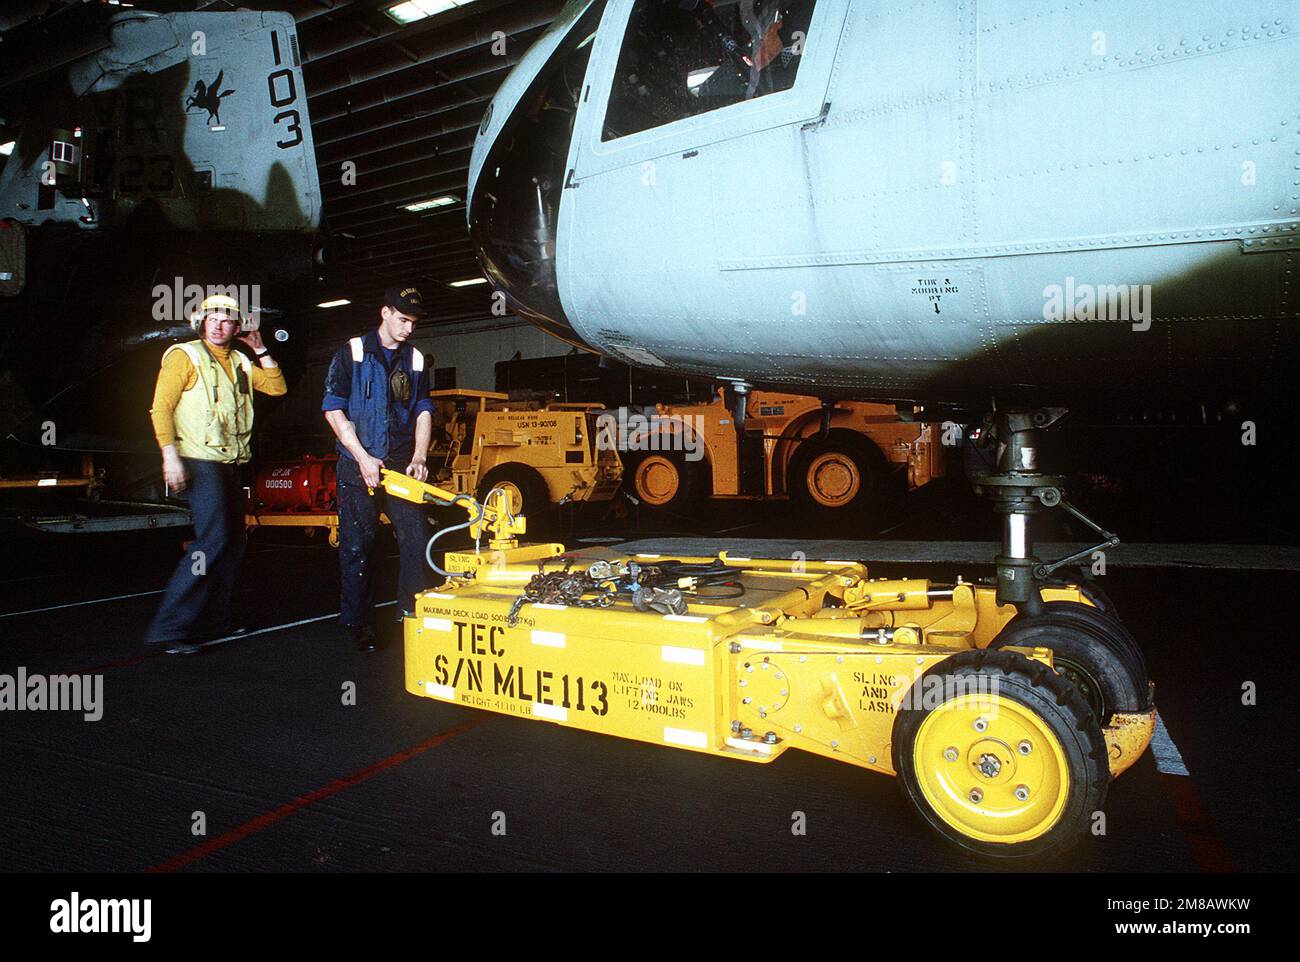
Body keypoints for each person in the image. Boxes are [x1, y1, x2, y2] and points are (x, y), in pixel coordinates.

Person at [146, 293, 287, 653]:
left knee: (233, 545)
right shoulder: (185, 356)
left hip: (230, 463)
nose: (219, 325)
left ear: (237, 327)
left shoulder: (240, 360)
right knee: (211, 543)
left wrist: (260, 349)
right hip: (197, 460)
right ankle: (170, 628)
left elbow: (276, 386)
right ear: (201, 322)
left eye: (227, 320)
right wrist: (169, 456)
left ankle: (216, 621)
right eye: (213, 318)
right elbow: (160, 408)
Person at [322, 286, 435, 652]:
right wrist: (362, 458)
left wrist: (420, 455)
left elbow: (423, 410)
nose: (408, 329)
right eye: (403, 320)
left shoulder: (415, 359)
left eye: (413, 323)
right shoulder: (351, 354)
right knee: (359, 547)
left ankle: (411, 618)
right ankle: (361, 625)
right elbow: (334, 410)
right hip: (359, 467)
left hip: (401, 466)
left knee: (417, 540)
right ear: (385, 313)